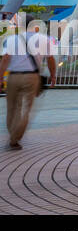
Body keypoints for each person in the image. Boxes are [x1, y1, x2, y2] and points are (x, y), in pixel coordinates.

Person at [1, 18, 57, 148]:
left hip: (13, 77)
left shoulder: (12, 39)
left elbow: (5, 59)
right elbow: (50, 59)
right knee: (26, 109)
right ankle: (15, 138)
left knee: (12, 108)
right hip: (32, 77)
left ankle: (13, 134)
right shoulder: (44, 39)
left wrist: (0, 77)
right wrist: (53, 75)